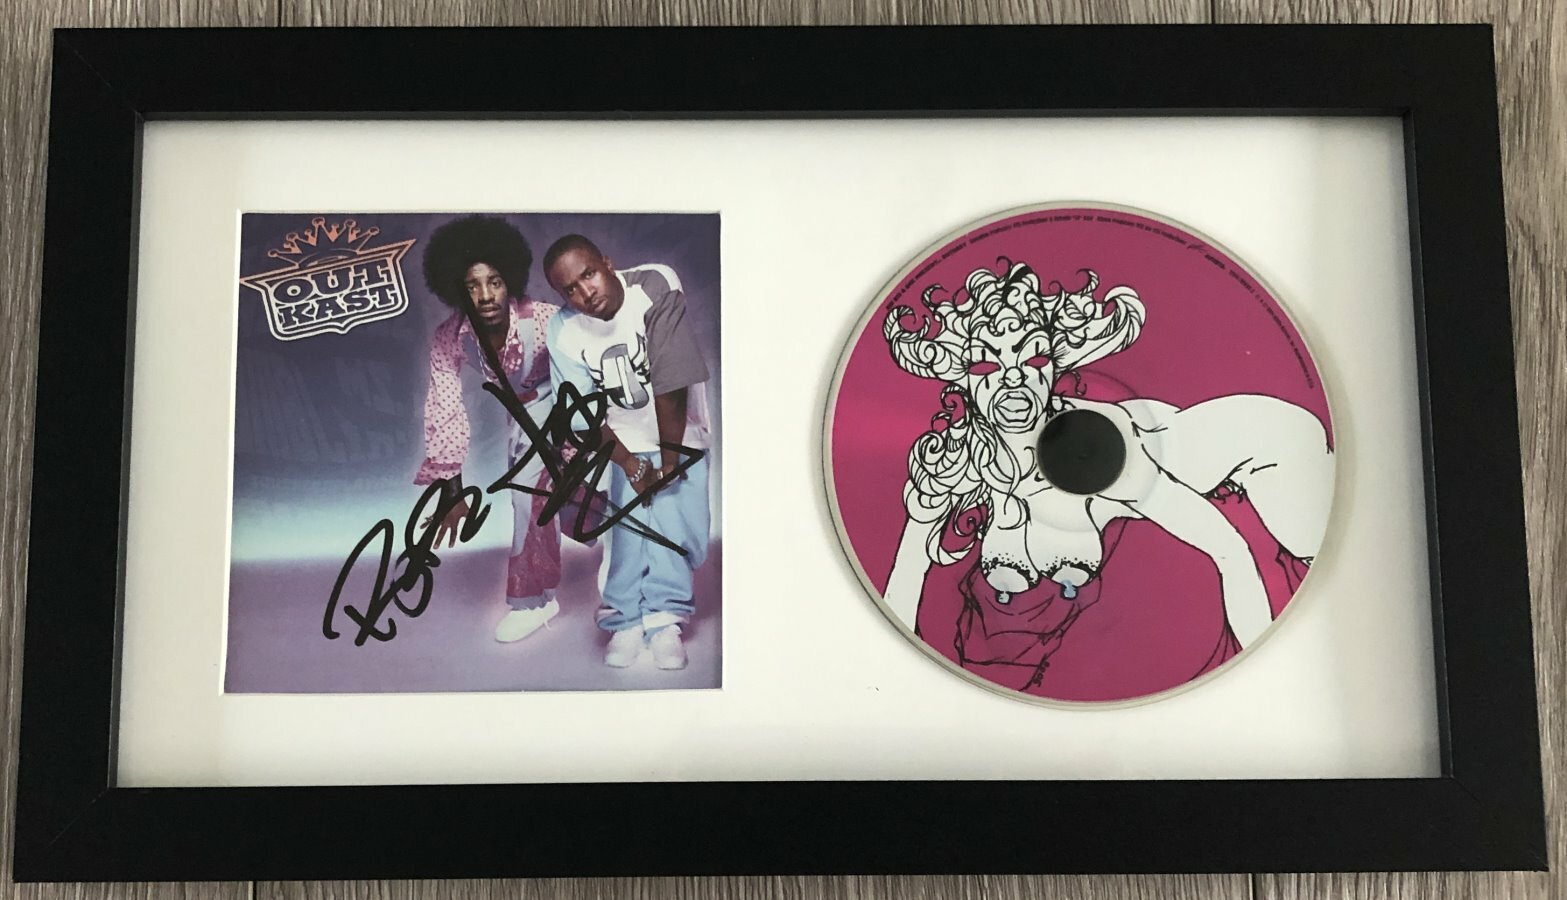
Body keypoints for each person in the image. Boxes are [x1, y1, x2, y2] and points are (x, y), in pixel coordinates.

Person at [543, 234, 713, 670]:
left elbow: (672, 380)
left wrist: (669, 461)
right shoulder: (563, 328)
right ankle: (625, 620)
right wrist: (630, 463)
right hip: (620, 439)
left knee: (678, 528)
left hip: (680, 432)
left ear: (607, 262)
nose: (585, 292)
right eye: (570, 289)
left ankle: (665, 619)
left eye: (589, 275)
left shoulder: (653, 283)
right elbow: (581, 413)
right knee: (627, 533)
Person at [416, 215, 565, 643]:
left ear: (509, 280)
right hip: (520, 417)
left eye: (495, 282)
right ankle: (544, 594)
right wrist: (452, 489)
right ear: (456, 289)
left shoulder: (545, 320)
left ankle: (535, 599)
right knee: (536, 500)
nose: (484, 295)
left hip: (567, 405)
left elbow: (585, 366)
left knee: (538, 496)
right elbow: (445, 407)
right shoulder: (451, 338)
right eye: (472, 285)